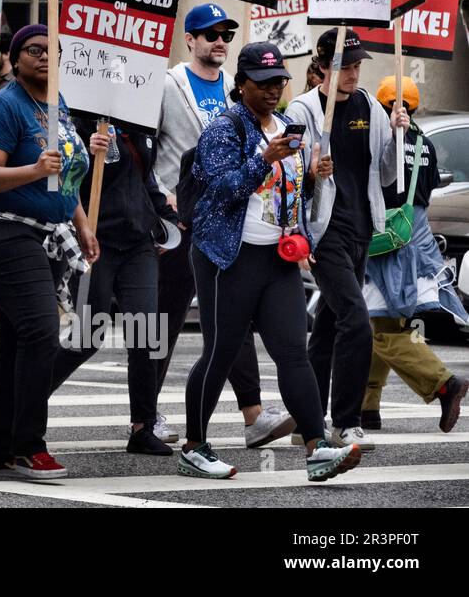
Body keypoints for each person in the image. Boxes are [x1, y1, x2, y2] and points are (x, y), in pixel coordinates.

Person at [179, 42, 363, 482]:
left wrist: (311, 193)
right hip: (228, 256)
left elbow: (290, 195)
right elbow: (222, 190)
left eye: (278, 82)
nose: (271, 90)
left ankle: (317, 447)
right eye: (261, 83)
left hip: (277, 257)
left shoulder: (288, 126)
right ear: (240, 84)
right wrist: (264, 159)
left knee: (293, 353)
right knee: (221, 352)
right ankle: (194, 446)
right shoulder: (225, 130)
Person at [0, 24, 102, 479]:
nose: (45, 57)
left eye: (52, 50)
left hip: (45, 233)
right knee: (40, 328)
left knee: (17, 339)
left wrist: (83, 226)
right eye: (34, 50)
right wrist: (34, 167)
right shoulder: (2, 106)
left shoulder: (58, 105)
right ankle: (29, 444)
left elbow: (65, 178)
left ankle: (4, 448)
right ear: (14, 59)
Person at [152, 3, 290, 449]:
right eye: (208, 33)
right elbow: (147, 147)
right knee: (165, 317)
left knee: (230, 318)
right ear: (189, 39)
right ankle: (146, 409)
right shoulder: (169, 85)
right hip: (182, 219)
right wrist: (160, 199)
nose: (219, 41)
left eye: (226, 34)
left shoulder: (239, 92)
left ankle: (253, 414)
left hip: (232, 221)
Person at [285, 28, 405, 450]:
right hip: (322, 231)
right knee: (357, 321)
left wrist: (396, 134)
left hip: (361, 228)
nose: (353, 74)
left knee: (331, 324)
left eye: (357, 66)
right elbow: (284, 176)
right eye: (345, 66)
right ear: (322, 67)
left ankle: (307, 417)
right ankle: (346, 420)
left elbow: (387, 176)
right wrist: (311, 175)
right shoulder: (301, 110)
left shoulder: (369, 106)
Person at [53, 116, 175, 455]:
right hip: (96, 240)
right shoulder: (75, 124)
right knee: (87, 338)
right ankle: (28, 401)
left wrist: (166, 217)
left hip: (138, 243)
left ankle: (143, 427)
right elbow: (64, 184)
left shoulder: (138, 125)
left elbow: (145, 179)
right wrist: (90, 157)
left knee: (147, 334)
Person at [362, 76, 468, 432]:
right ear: (415, 106)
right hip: (415, 239)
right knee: (384, 323)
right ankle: (368, 407)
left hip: (386, 241)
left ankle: (443, 382)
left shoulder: (384, 139)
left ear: (381, 104)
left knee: (379, 330)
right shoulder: (425, 142)